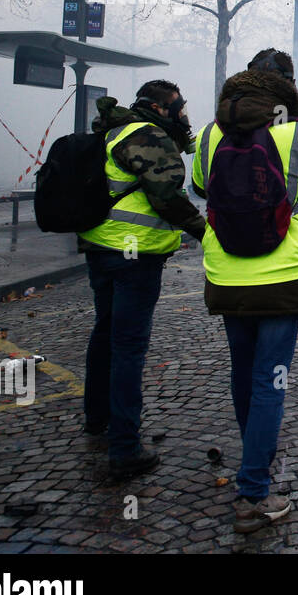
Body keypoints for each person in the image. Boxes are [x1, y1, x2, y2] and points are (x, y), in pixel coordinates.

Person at [192, 48, 298, 534]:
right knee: (271, 380)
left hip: (227, 274)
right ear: (286, 84)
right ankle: (255, 491)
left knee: (244, 373)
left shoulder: (209, 132)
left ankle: (255, 458)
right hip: (285, 273)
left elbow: (200, 187)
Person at [79, 81, 204, 480]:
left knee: (105, 332)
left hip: (100, 247)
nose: (184, 112)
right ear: (158, 107)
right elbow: (166, 196)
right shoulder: (147, 135)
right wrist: (206, 232)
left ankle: (96, 419)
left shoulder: (113, 130)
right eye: (178, 106)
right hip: (134, 255)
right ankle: (125, 448)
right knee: (128, 346)